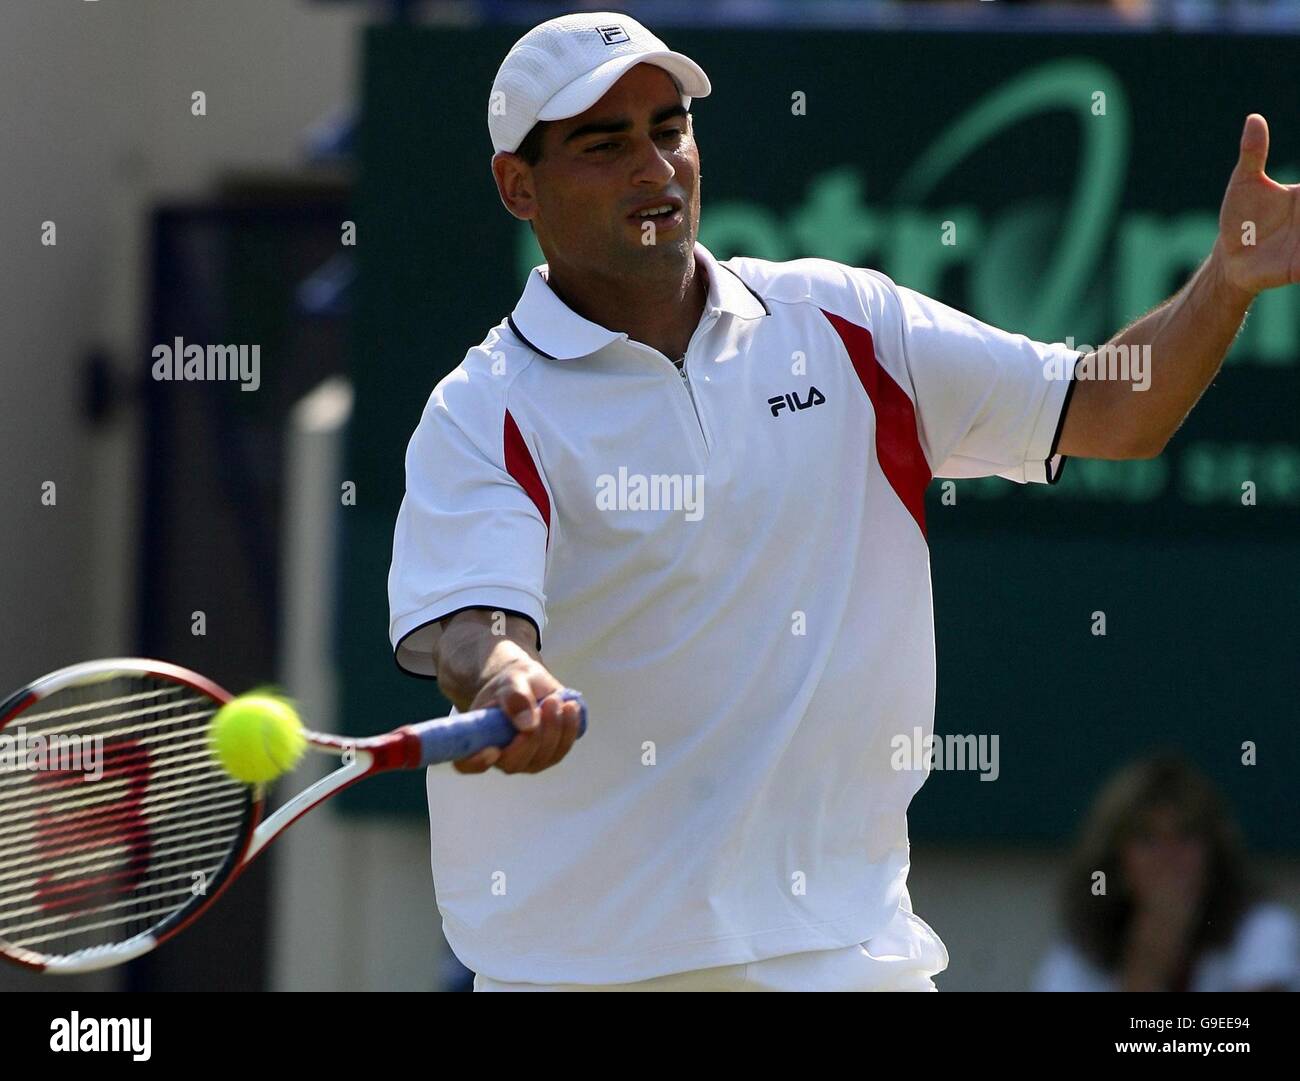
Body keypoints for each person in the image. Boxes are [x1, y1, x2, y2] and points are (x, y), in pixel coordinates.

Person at [387, 11, 1287, 991]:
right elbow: (474, 622)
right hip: (585, 969)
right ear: (518, 185)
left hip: (848, 950)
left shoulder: (843, 321)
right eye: (605, 145)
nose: (653, 167)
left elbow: (1111, 409)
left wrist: (1227, 282)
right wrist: (504, 674)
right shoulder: (481, 411)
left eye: (669, 128)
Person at [1035, 755, 1299, 992]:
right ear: (1116, 858)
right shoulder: (1079, 955)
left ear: (1213, 852)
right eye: (1148, 839)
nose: (1169, 857)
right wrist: (1146, 967)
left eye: (1185, 836)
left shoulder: (1262, 928)